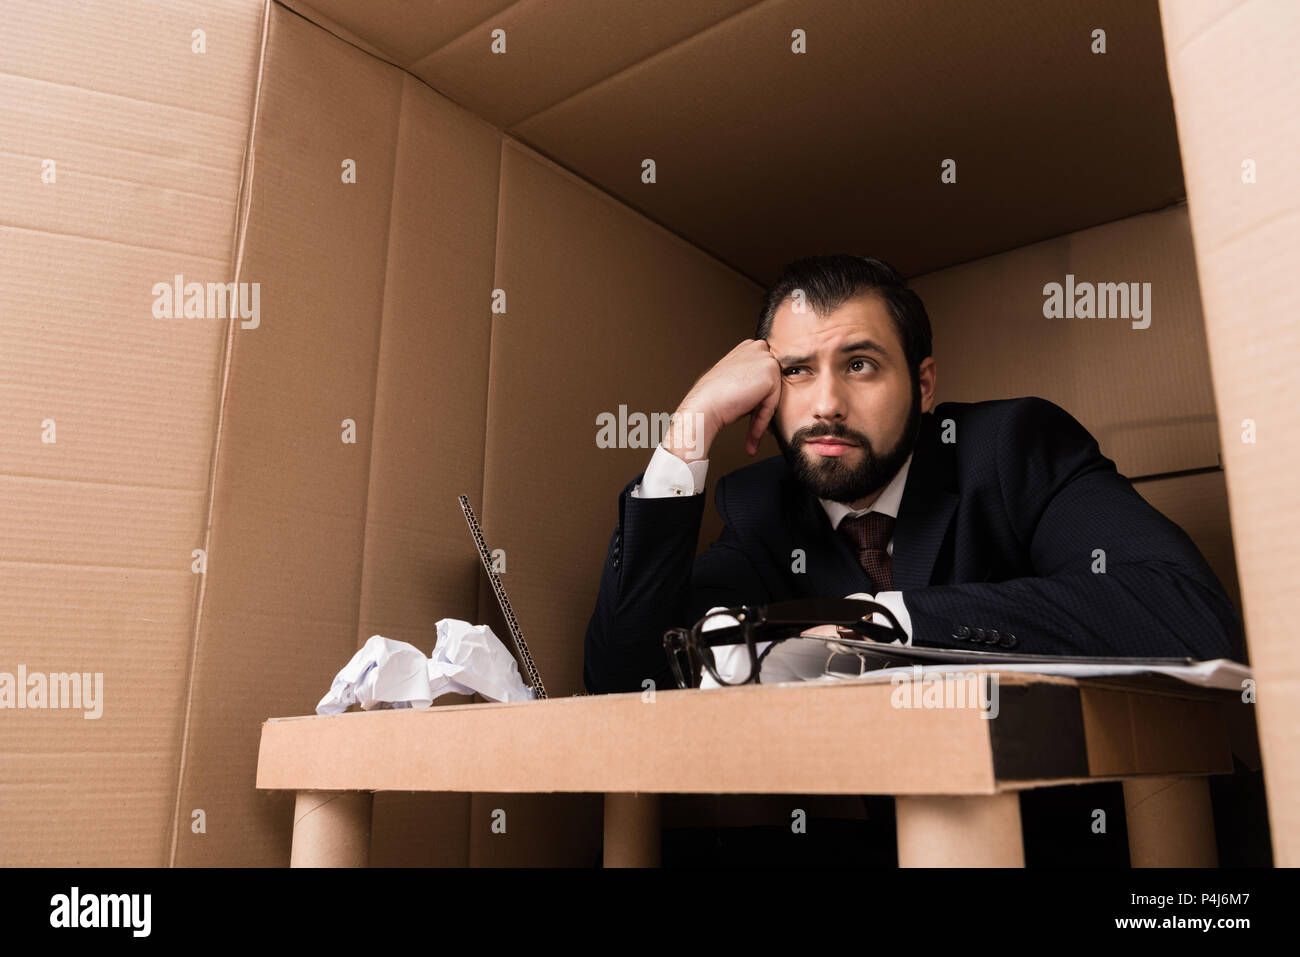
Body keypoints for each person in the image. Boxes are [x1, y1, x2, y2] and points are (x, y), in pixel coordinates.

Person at [584, 254, 1242, 696]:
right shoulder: (765, 507)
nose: (826, 404)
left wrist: (878, 623)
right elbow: (623, 677)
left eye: (861, 364)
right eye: (796, 371)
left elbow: (1187, 613)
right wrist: (689, 429)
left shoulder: (1011, 450)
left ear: (924, 385)